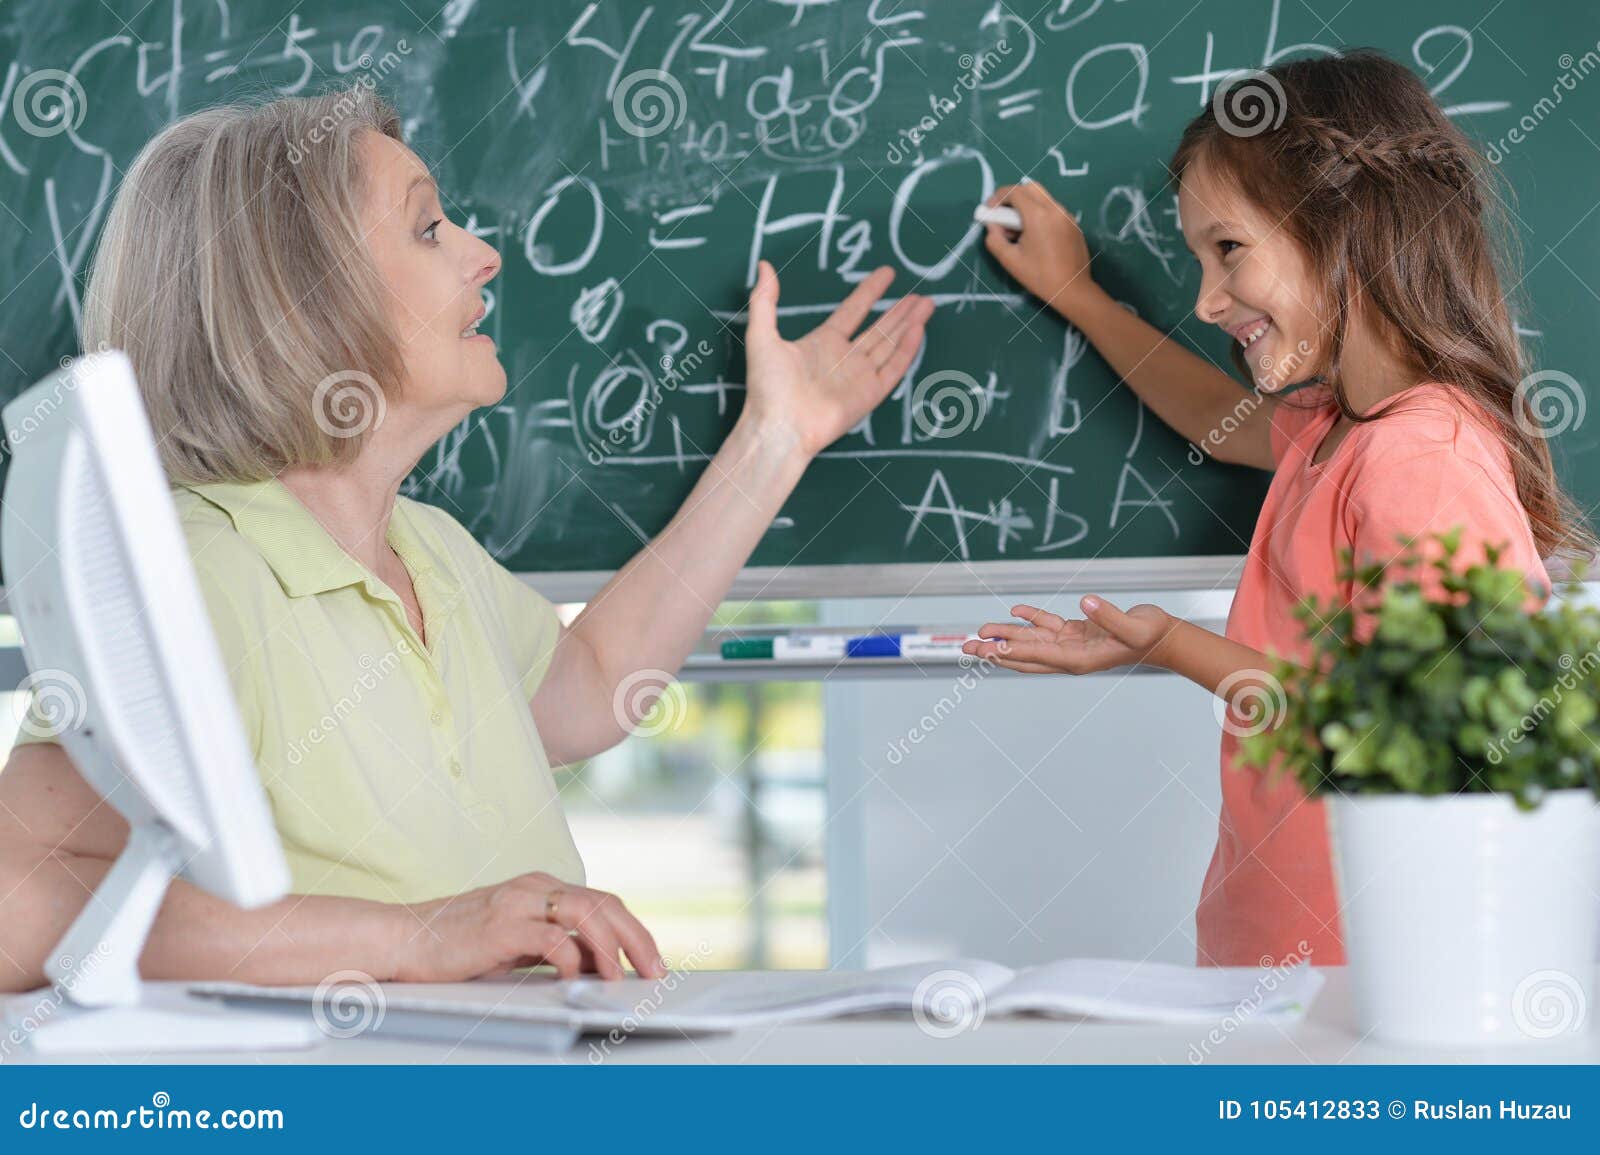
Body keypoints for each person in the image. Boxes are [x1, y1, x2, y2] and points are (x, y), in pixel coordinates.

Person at [0, 87, 933, 992]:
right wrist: (418, 936)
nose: (483, 255)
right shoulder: (202, 573)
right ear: (302, 300)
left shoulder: (429, 547)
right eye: (428, 229)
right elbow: (17, 899)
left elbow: (590, 685)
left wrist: (775, 439)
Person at [962, 51, 1595, 966]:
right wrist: (1078, 296)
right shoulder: (1339, 425)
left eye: (1228, 249)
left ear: (1346, 226)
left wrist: (1168, 642)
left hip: (1369, 964)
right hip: (1285, 941)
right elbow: (1214, 420)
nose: (1205, 301)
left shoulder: (1419, 456)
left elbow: (1430, 729)